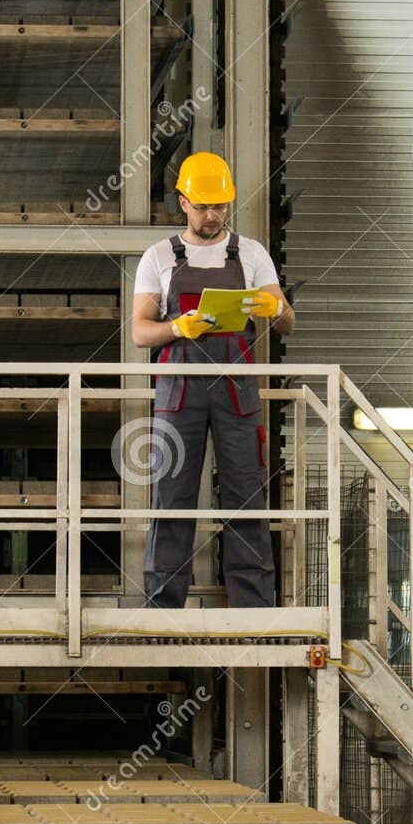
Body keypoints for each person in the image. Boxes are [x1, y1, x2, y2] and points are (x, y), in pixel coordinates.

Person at [130, 150, 296, 608]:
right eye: (203, 206)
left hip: (236, 390)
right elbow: (140, 331)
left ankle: (255, 605)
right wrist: (176, 327)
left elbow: (288, 323)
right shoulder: (159, 257)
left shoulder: (251, 253)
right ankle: (163, 607)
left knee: (246, 492)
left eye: (220, 206)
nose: (212, 215)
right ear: (183, 201)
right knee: (172, 495)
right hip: (178, 392)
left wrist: (274, 308)